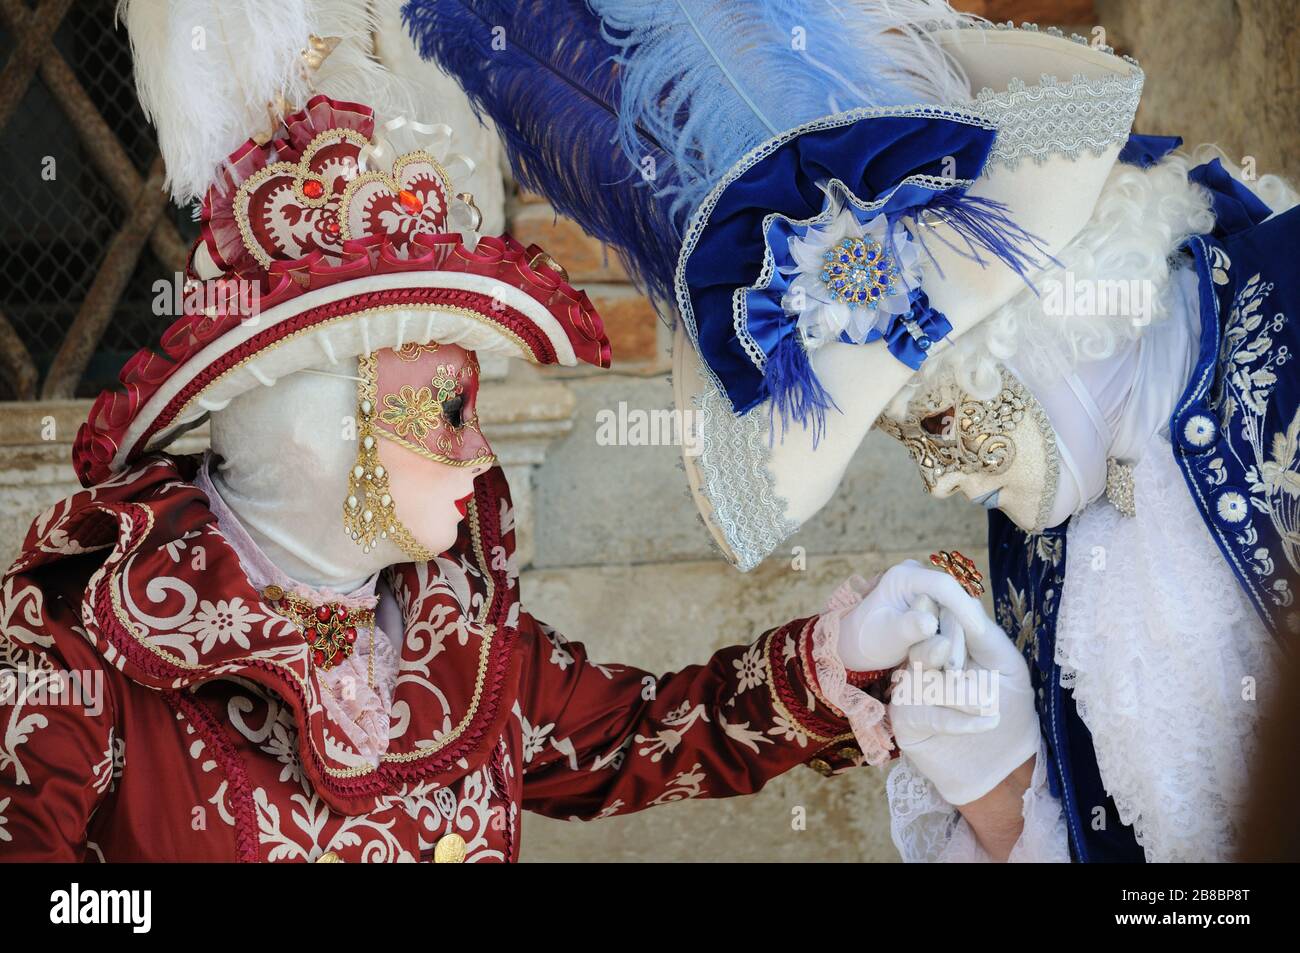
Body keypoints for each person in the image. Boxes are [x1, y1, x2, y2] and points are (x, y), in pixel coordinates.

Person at [0, 3, 979, 863]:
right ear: (326, 424)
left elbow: (633, 741)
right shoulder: (80, 650)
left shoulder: (453, 630)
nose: (475, 455)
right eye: (443, 406)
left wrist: (840, 646)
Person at [410, 0, 1297, 860]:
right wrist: (999, 783)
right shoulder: (1053, 532)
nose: (943, 485)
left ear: (1040, 342)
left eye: (940, 426)